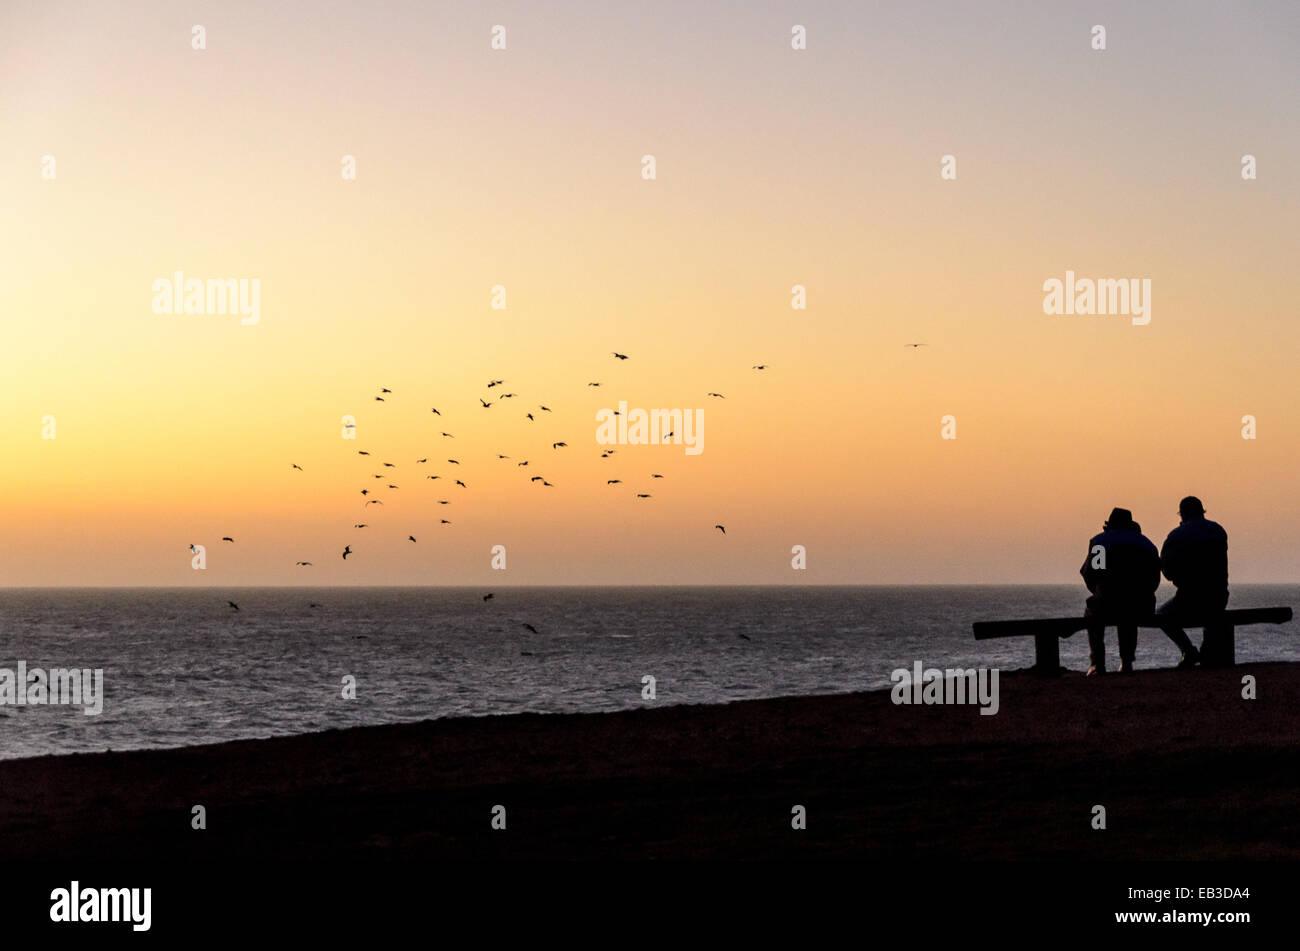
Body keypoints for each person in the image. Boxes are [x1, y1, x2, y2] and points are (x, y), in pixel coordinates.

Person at [1080, 507, 1161, 676]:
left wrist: (1098, 591)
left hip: (1107, 602)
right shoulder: (1147, 544)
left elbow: (1093, 574)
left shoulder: (1100, 542)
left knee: (1092, 613)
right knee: (1128, 613)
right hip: (1141, 604)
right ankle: (1126, 661)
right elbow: (1154, 578)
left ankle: (1097, 663)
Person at [1157, 496, 1229, 668]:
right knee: (1212, 616)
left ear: (1182, 515)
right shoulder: (1218, 530)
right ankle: (1207, 652)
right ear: (1202, 511)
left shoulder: (1176, 535)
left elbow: (1166, 569)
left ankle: (1188, 650)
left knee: (1161, 615)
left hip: (1189, 598)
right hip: (1219, 596)